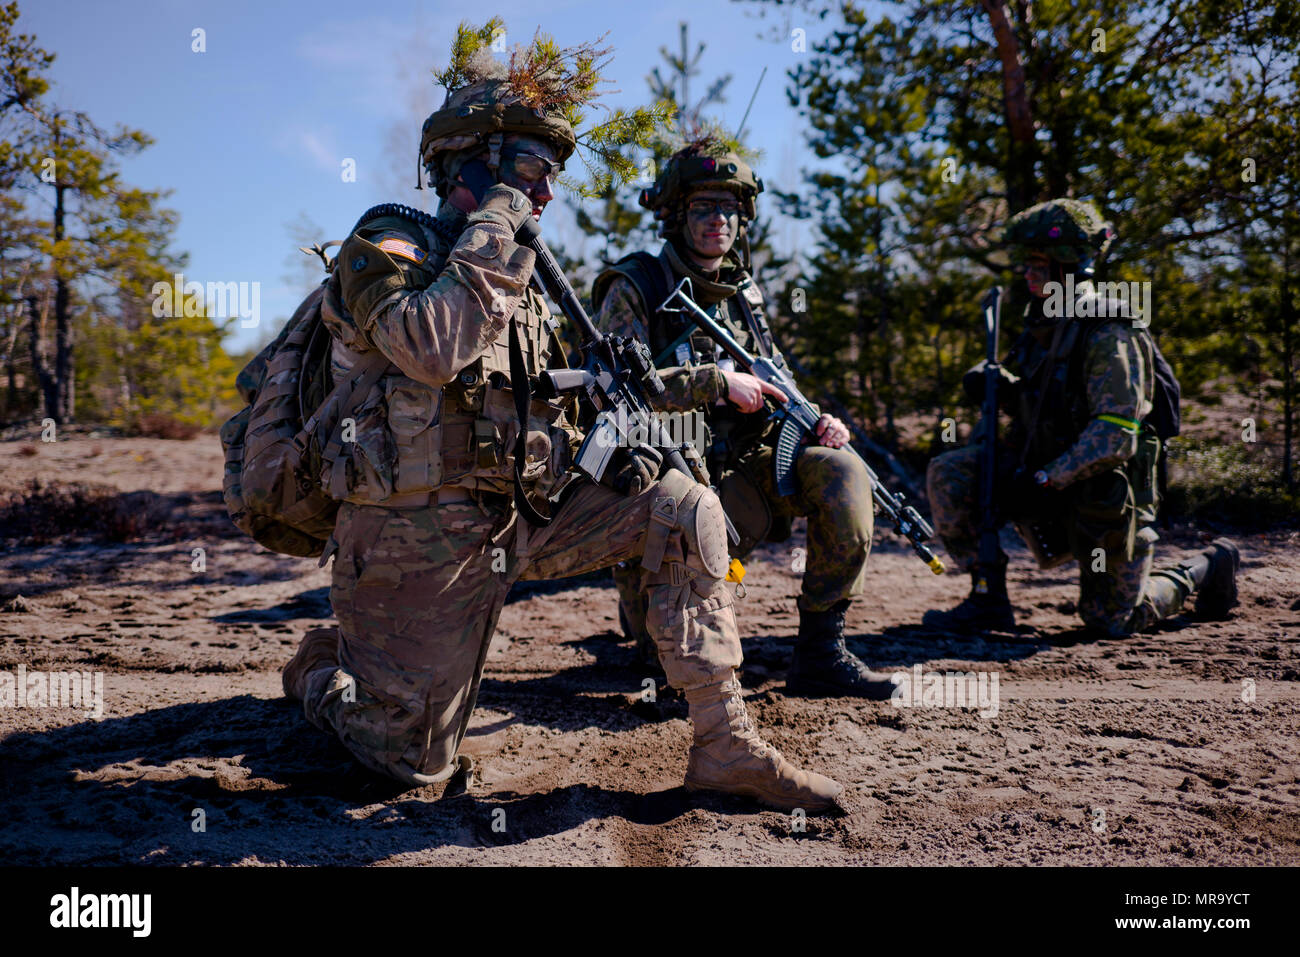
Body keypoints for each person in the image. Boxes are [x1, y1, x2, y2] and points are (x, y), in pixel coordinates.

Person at [278, 36, 842, 812]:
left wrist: (631, 444)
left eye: (546, 177)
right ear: (474, 165)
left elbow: (556, 395)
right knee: (407, 765)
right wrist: (503, 212)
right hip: (415, 542)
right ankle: (319, 666)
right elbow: (434, 346)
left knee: (683, 505)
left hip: (522, 520)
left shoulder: (524, 283)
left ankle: (724, 739)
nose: (546, 195)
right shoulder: (386, 247)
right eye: (532, 171)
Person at [591, 140, 895, 699]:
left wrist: (819, 419)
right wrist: (715, 382)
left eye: (730, 209)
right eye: (704, 208)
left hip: (745, 472)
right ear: (677, 214)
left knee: (843, 472)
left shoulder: (744, 292)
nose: (719, 221)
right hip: (669, 478)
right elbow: (615, 393)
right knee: (666, 655)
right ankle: (660, 635)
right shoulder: (635, 286)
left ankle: (821, 653)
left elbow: (776, 375)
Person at [925, 198, 1239, 636]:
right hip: (1046, 475)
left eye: (1040, 263)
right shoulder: (1042, 324)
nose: (1028, 273)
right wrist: (1002, 387)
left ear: (1070, 268)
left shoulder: (1108, 328)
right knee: (953, 473)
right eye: (1027, 263)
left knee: (1111, 620)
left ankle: (1207, 567)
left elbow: (1115, 433)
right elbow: (1046, 404)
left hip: (1103, 491)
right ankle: (987, 596)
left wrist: (1043, 480)